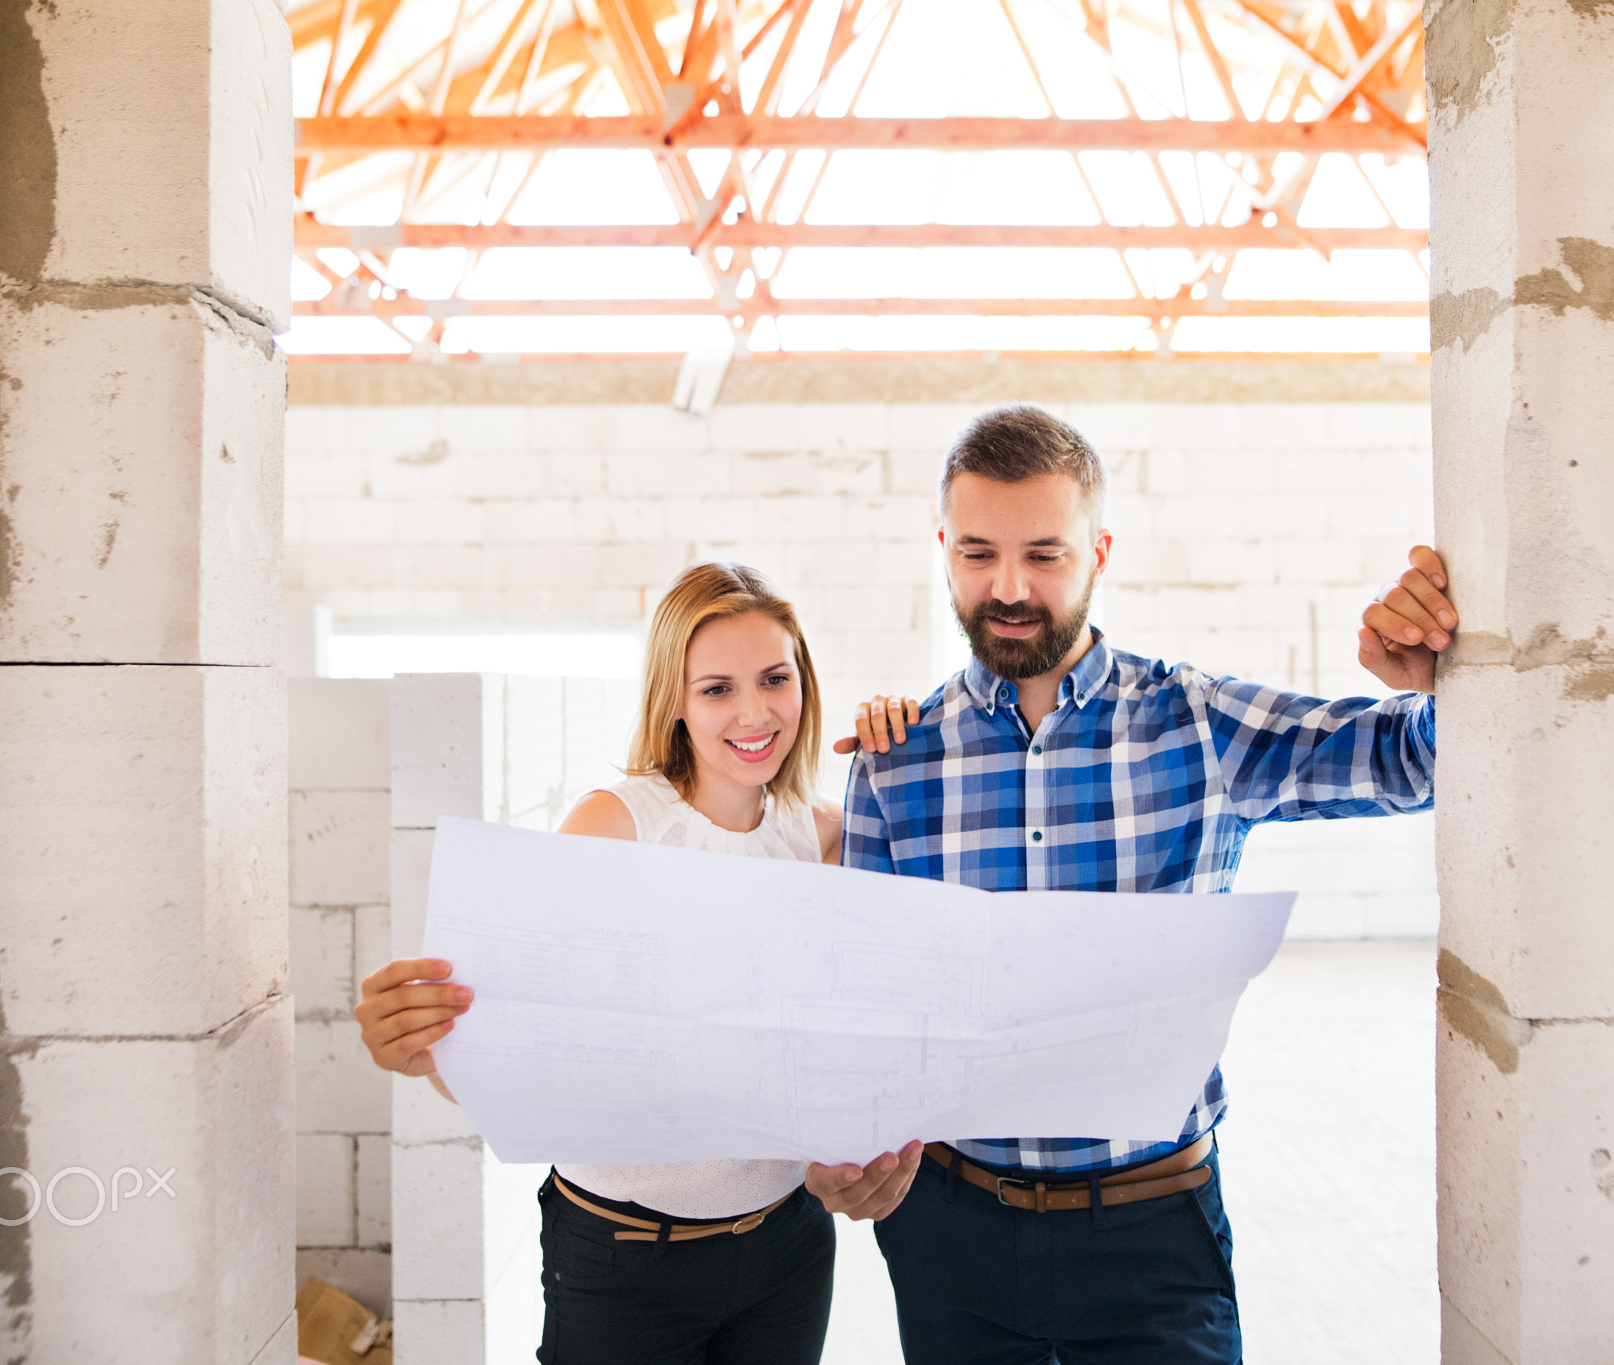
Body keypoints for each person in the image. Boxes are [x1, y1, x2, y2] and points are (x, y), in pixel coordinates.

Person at [840, 404, 1457, 1365]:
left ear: (1100, 550)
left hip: (1151, 1230)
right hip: (950, 1233)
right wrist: (844, 1148)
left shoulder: (1201, 723)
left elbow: (1417, 761)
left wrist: (1433, 677)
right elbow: (871, 1006)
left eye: (1045, 553)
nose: (1009, 588)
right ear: (942, 549)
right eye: (977, 554)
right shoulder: (893, 762)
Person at [355, 561, 922, 1365]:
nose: (756, 712)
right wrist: (423, 1051)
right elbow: (510, 1041)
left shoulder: (819, 835)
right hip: (625, 1259)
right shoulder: (615, 826)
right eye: (717, 688)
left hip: (786, 1247)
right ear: (676, 702)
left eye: (774, 678)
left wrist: (901, 733)